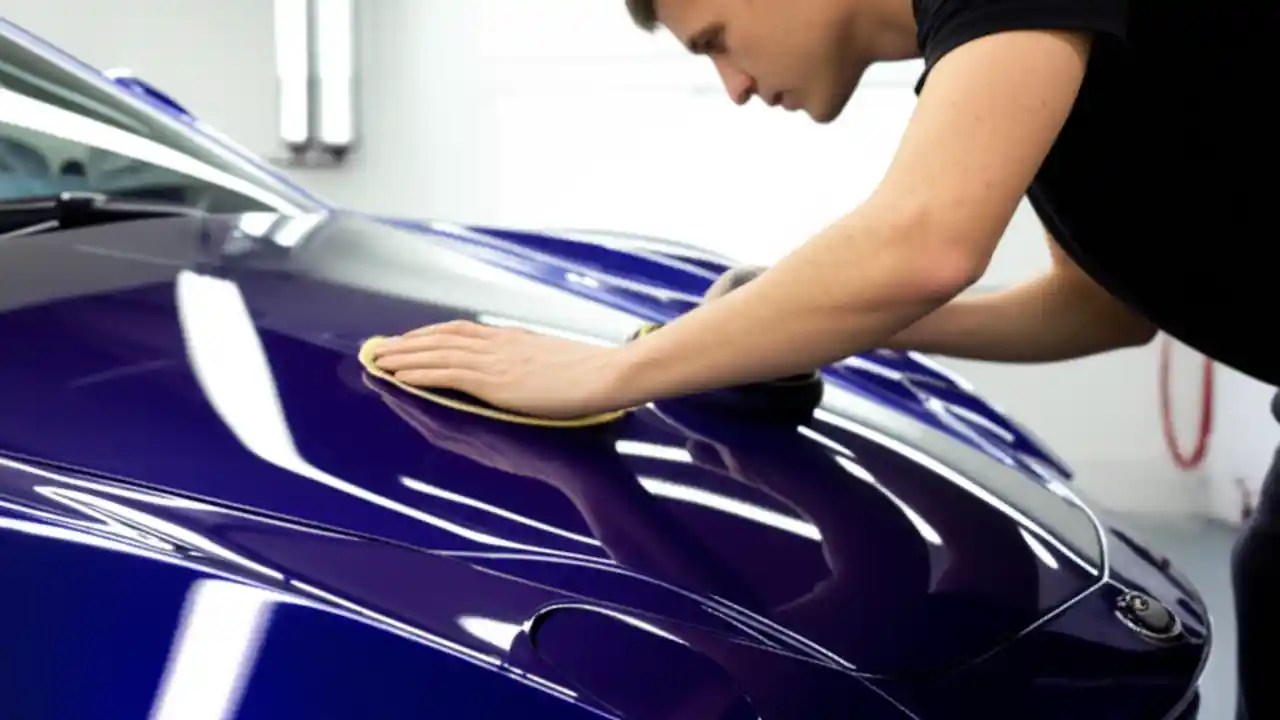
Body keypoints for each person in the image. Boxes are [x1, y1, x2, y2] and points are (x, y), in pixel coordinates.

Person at [370, 1, 1278, 715]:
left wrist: (603, 375)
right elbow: (1098, 313)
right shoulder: (1012, 46)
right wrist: (832, 321)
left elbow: (922, 247)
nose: (730, 84)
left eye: (717, 39)